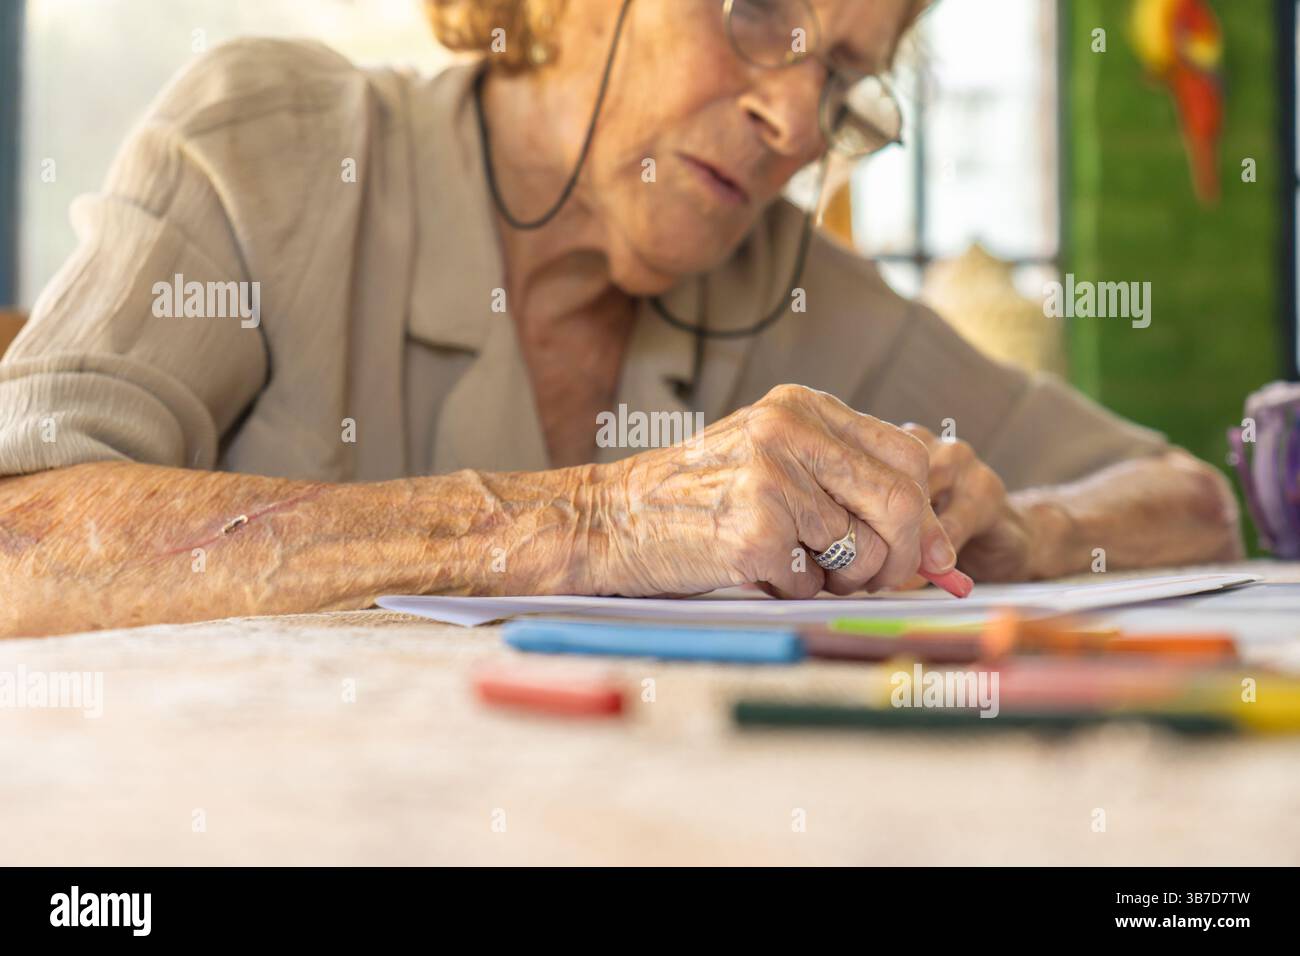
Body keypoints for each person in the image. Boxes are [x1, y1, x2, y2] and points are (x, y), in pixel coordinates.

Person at [0, 0, 1241, 637]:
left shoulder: (786, 280)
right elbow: (17, 538)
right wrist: (585, 521)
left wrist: (1024, 529)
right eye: (759, 5)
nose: (801, 125)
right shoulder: (272, 147)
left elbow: (1188, 496)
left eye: (846, 78)